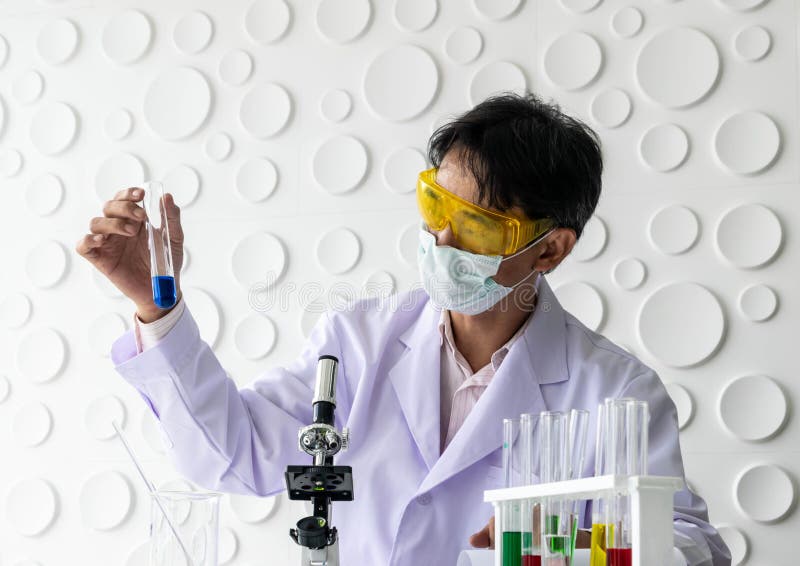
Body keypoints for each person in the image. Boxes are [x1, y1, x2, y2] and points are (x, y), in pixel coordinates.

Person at [76, 93, 730, 566]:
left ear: (550, 250)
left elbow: (692, 543)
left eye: (476, 224)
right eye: (434, 203)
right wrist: (155, 306)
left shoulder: (614, 391)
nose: (440, 238)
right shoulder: (358, 341)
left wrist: (585, 554)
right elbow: (234, 456)